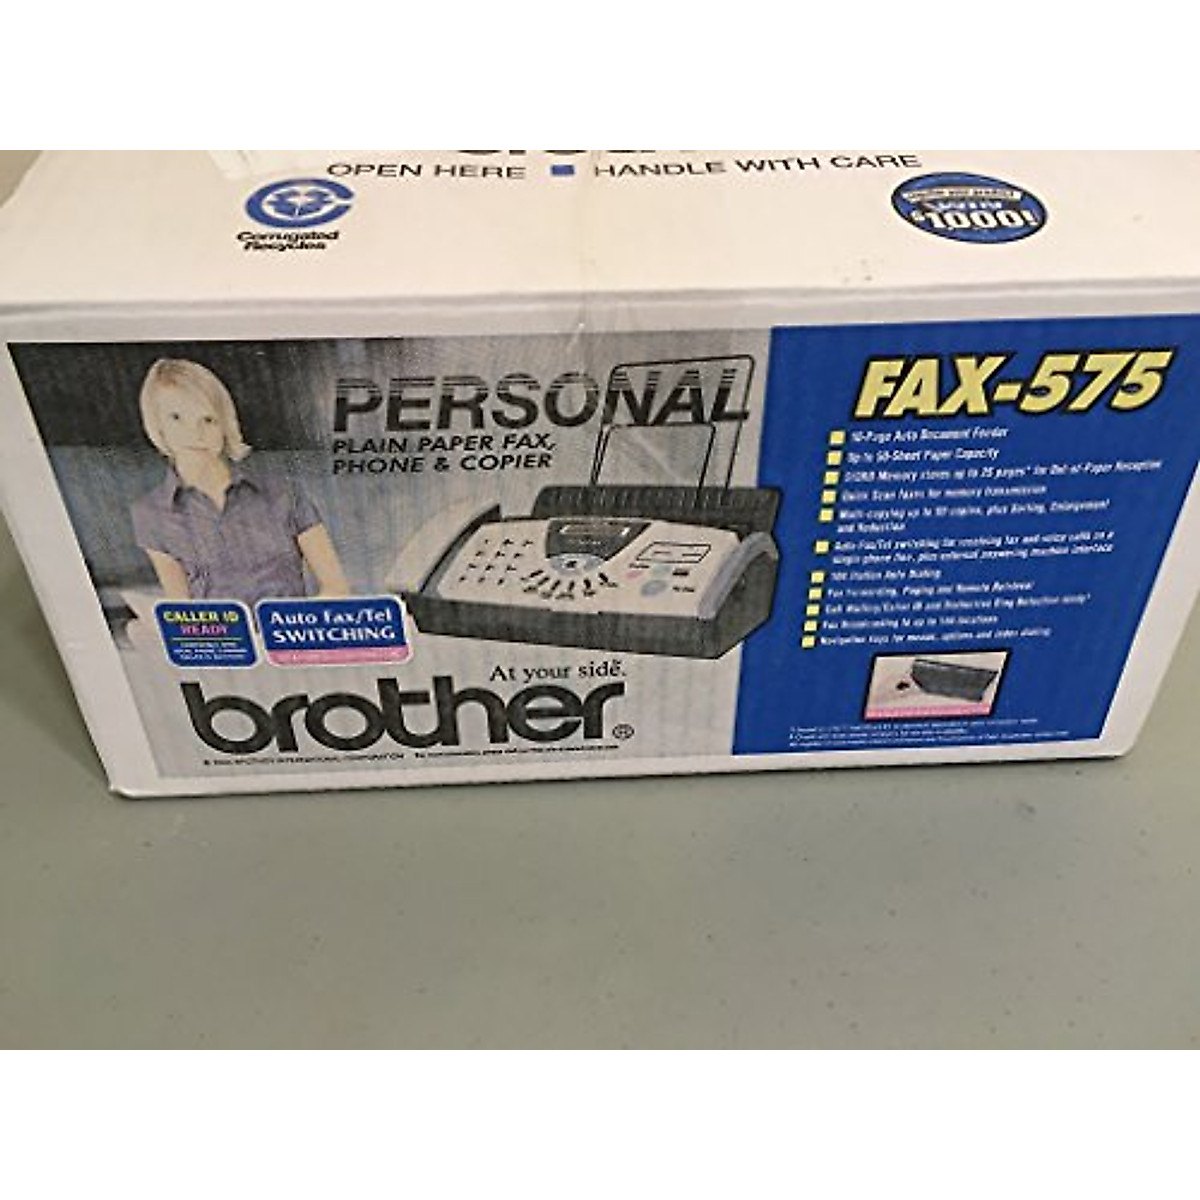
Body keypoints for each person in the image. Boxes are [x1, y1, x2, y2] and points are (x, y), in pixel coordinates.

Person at [130, 358, 348, 608]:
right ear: (157, 423)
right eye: (177, 417)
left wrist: (291, 622)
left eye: (208, 420)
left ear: (224, 425)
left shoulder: (285, 493)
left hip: (285, 629)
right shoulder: (149, 513)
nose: (195, 433)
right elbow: (181, 608)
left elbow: (337, 588)